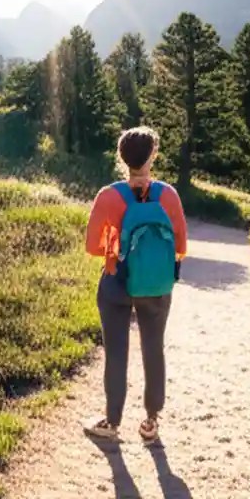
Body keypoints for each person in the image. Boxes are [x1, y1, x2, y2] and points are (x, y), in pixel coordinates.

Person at [83, 126, 188, 442]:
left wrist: (118, 247)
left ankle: (112, 423)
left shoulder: (108, 196)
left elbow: (91, 247)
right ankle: (150, 423)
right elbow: (181, 246)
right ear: (153, 155)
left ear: (121, 157)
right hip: (156, 285)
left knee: (116, 353)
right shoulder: (167, 195)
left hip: (116, 280)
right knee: (153, 350)